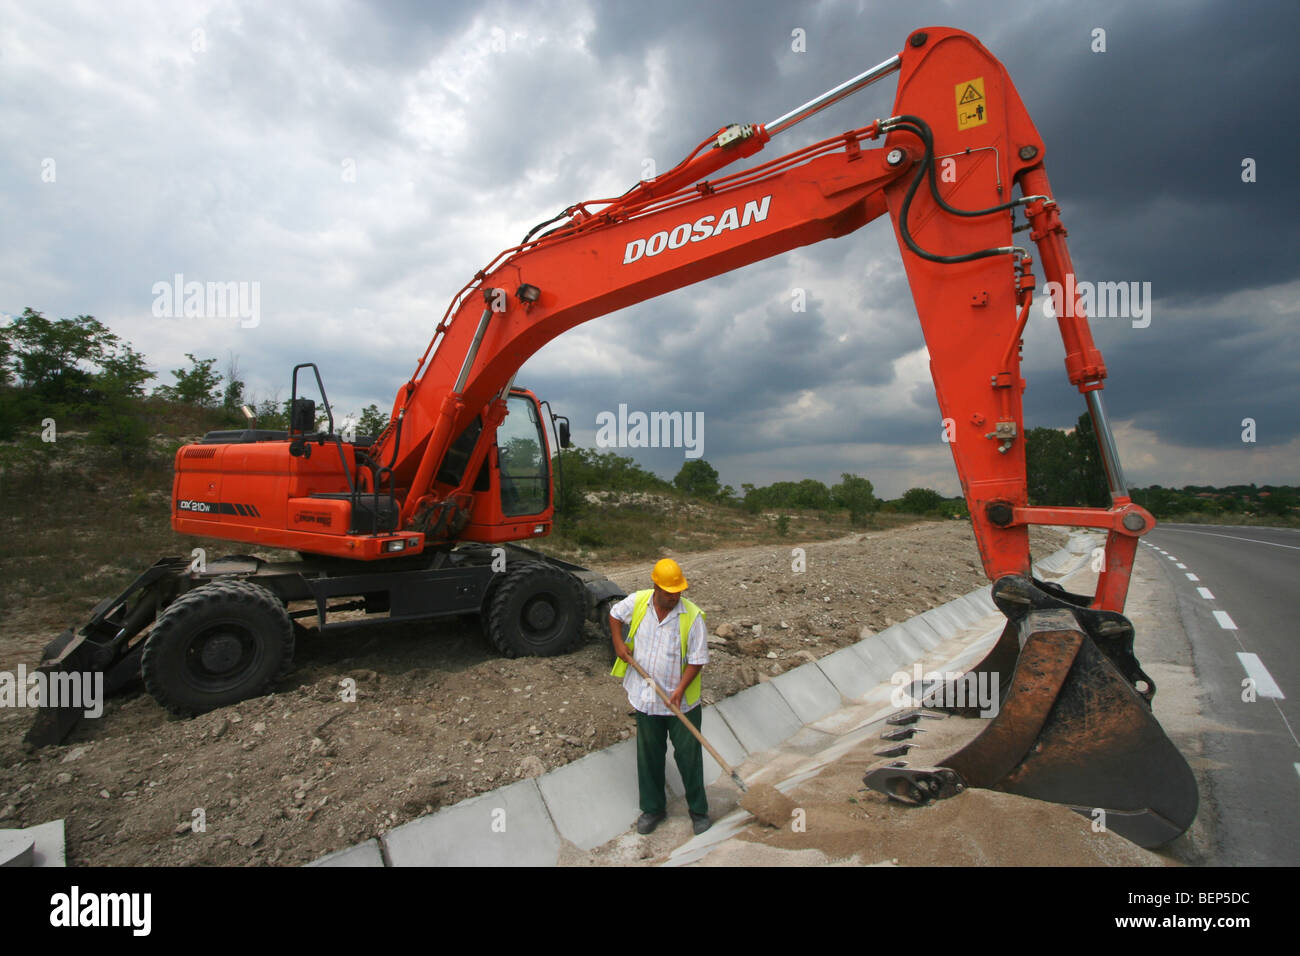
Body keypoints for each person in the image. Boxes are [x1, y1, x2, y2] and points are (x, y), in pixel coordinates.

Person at [609, 558, 711, 836]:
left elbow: (697, 660)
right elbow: (615, 614)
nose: (674, 596)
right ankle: (653, 809)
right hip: (647, 699)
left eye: (678, 591)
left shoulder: (692, 617)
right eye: (669, 592)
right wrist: (619, 643)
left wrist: (679, 690)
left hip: (682, 703)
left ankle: (699, 812)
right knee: (649, 756)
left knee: (689, 757)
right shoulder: (639, 602)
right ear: (656, 586)